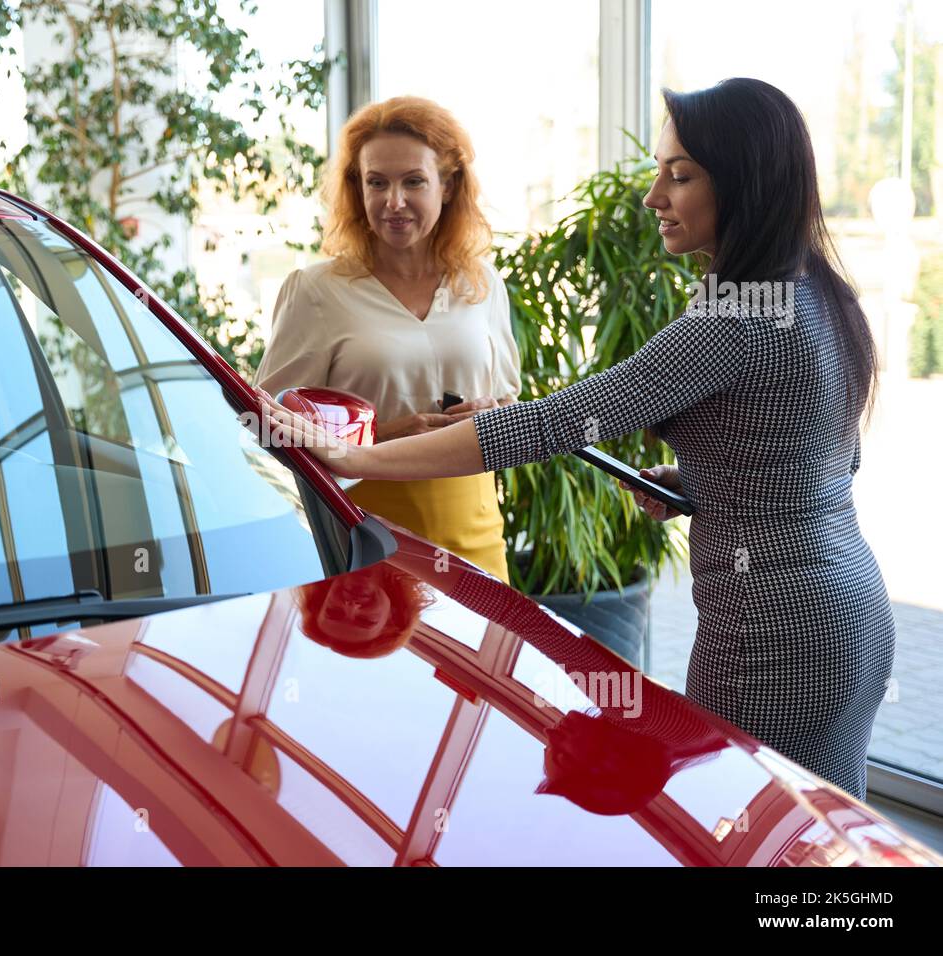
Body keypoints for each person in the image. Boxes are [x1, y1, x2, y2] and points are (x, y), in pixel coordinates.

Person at [253, 78, 894, 802]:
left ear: (746, 186)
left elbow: (553, 422)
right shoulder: (814, 291)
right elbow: (833, 454)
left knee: (752, 824)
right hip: (849, 610)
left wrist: (355, 457)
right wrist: (711, 485)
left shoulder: (732, 322)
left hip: (772, 628)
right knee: (829, 833)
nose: (654, 196)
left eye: (679, 176)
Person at [256, 96, 521, 583]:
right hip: (363, 537)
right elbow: (265, 432)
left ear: (449, 185)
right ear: (357, 189)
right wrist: (382, 439)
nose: (393, 202)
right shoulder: (316, 291)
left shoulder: (483, 285)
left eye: (413, 181)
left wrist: (493, 413)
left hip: (476, 534)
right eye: (376, 182)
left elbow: (509, 402)